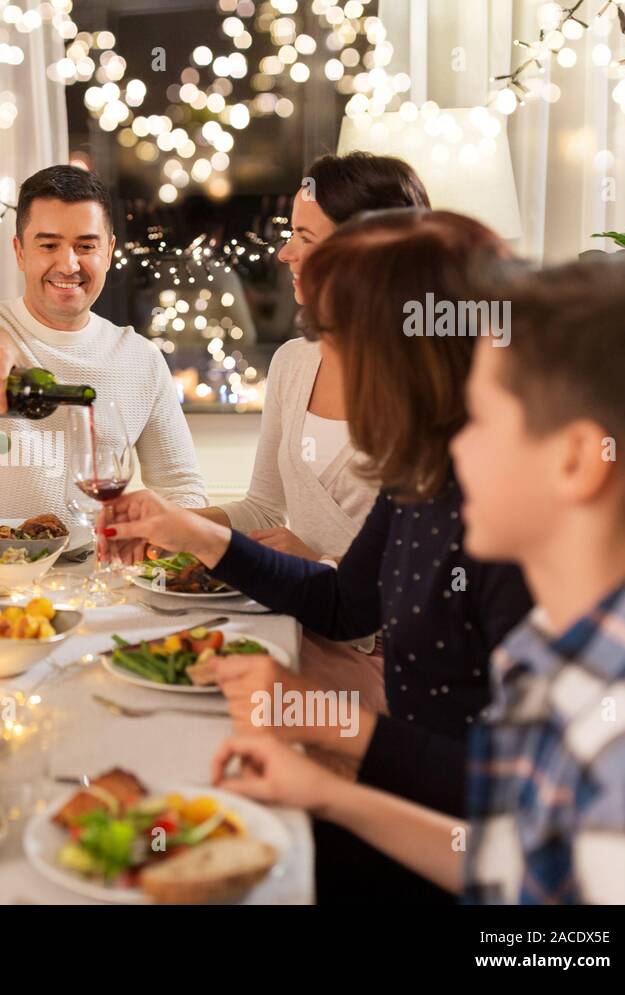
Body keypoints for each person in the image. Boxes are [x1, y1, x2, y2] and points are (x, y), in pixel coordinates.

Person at [102, 210, 534, 902]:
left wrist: (327, 719)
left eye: (334, 337)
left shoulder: (512, 515)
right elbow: (344, 603)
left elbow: (526, 790)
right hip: (406, 800)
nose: (324, 360)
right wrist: (195, 532)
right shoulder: (424, 462)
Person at [212, 253, 625, 903]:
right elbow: (511, 861)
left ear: (577, 461)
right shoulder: (558, 647)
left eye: (479, 421)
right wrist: (328, 796)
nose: (456, 448)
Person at [204, 153, 432, 713]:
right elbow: (264, 507)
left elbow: (429, 586)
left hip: (391, 662)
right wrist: (173, 525)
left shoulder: (432, 387)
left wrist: (322, 564)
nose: (285, 253)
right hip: (295, 625)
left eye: (305, 236)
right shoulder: (293, 363)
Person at [0, 164, 206, 523]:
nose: (68, 265)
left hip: (87, 572)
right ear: (20, 252)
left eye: (86, 246)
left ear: (110, 251)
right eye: (49, 245)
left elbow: (180, 488)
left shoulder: (139, 359)